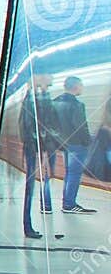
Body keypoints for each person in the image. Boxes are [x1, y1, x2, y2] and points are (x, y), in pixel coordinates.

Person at [20, 71, 60, 240]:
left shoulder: (34, 98)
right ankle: (28, 226)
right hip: (34, 148)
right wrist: (42, 150)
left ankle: (30, 223)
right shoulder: (31, 100)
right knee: (31, 187)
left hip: (36, 147)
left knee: (35, 185)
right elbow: (39, 123)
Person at [56, 76, 96, 214]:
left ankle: (67, 203)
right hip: (77, 145)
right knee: (74, 174)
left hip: (64, 144)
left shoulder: (54, 103)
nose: (82, 87)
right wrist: (89, 144)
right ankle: (69, 204)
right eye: (81, 85)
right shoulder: (77, 105)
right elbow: (81, 127)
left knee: (69, 173)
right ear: (76, 86)